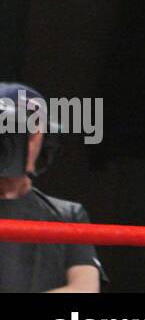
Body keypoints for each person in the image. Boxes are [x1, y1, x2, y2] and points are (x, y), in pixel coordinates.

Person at [0, 83, 104, 293]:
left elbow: (86, 287)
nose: (24, 142)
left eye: (31, 131)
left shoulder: (68, 215)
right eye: (12, 130)